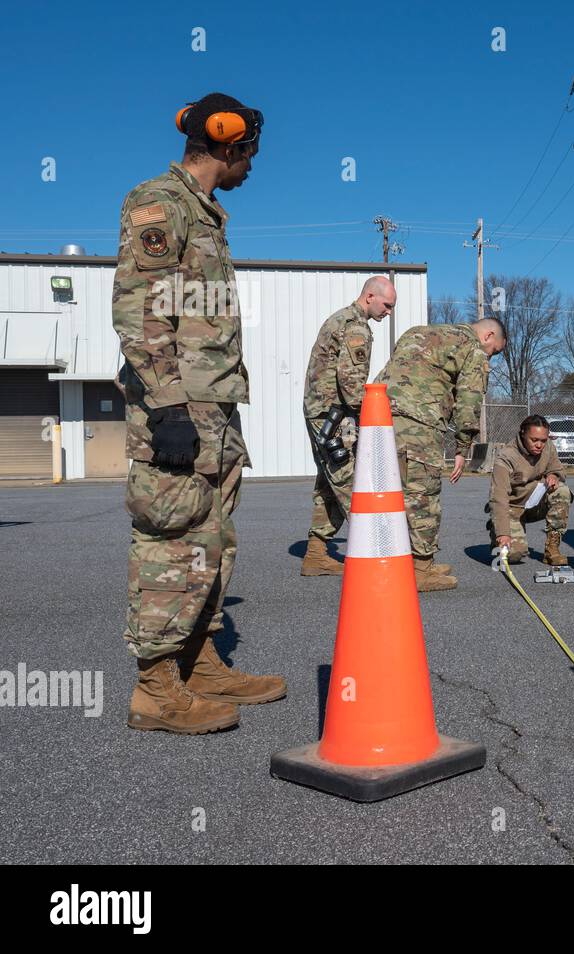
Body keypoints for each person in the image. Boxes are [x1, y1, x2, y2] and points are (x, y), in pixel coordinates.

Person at [112, 92, 285, 735]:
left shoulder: (206, 215)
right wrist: (165, 409)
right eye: (248, 153)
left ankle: (198, 659)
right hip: (178, 409)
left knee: (212, 539)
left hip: (212, 409)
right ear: (225, 141)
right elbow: (141, 310)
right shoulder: (159, 202)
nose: (250, 166)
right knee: (171, 538)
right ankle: (156, 689)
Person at [375, 318, 506, 591]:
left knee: (390, 490)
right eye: (494, 351)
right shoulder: (472, 348)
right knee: (423, 493)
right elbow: (469, 399)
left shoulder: (418, 331)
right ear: (488, 336)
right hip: (417, 421)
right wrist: (462, 447)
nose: (490, 359)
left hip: (378, 414)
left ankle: (397, 561)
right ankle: (420, 569)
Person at [300, 276, 396, 575]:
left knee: (330, 482)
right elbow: (351, 382)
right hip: (334, 416)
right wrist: (367, 415)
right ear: (370, 296)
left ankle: (316, 554)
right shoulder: (356, 327)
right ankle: (380, 552)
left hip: (323, 412)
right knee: (351, 481)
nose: (388, 312)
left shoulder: (340, 319)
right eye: (387, 305)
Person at [486, 414, 572, 565]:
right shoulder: (506, 457)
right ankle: (497, 530)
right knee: (513, 555)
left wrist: (553, 475)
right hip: (512, 508)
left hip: (535, 503)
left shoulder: (548, 447)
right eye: (534, 440)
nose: (539, 445)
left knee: (562, 491)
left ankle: (552, 550)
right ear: (523, 433)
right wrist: (503, 533)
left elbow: (557, 469)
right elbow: (498, 498)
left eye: (543, 440)